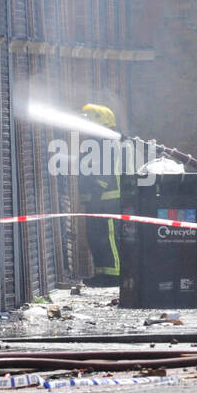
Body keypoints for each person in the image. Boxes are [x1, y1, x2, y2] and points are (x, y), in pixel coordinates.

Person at [79, 103, 121, 286]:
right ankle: (101, 272)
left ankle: (115, 275)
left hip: (107, 200)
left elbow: (105, 172)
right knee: (95, 236)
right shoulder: (93, 143)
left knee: (109, 236)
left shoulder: (107, 142)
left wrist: (96, 191)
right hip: (95, 200)